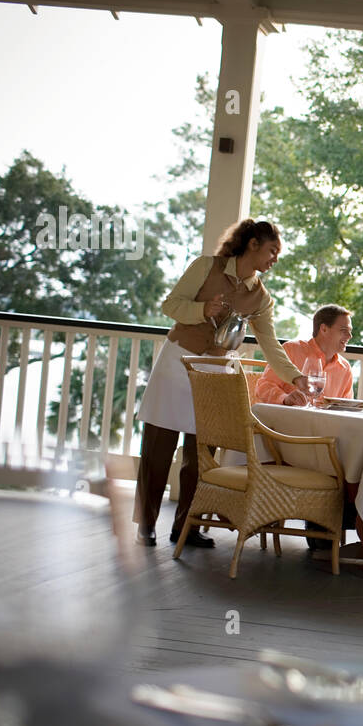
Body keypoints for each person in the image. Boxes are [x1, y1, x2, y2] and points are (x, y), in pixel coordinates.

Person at [134, 219, 310, 548]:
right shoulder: (206, 267)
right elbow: (170, 305)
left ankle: (187, 525)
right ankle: (146, 522)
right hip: (176, 363)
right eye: (272, 251)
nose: (275, 259)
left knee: (201, 456)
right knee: (157, 450)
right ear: (253, 244)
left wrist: (295, 377)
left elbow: (271, 345)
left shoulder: (261, 298)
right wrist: (203, 309)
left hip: (215, 372)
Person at [254, 304, 355, 405]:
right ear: (324, 329)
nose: (350, 336)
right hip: (288, 419)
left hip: (324, 421)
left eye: (350, 331)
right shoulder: (291, 349)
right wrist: (285, 398)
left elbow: (346, 408)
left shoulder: (345, 369)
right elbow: (263, 387)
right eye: (344, 330)